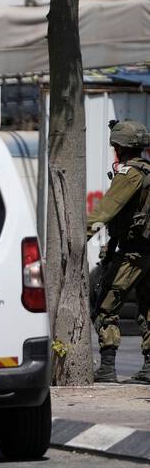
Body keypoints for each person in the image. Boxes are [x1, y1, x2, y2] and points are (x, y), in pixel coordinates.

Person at [87, 119, 150, 383]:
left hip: (133, 253)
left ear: (119, 148)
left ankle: (107, 368)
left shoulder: (130, 175)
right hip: (145, 253)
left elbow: (105, 211)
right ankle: (148, 369)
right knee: (147, 308)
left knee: (105, 305)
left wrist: (82, 235)